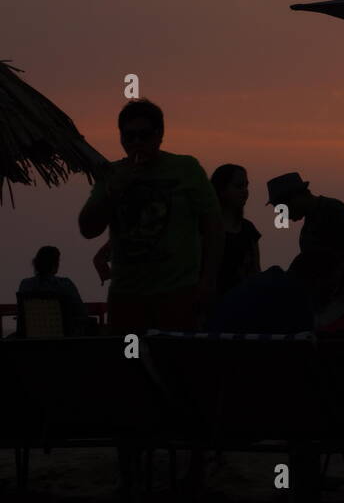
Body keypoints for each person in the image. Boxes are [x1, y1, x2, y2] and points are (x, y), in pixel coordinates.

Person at [78, 100, 225, 335]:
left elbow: (214, 227)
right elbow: (87, 229)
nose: (137, 143)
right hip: (126, 296)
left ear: (160, 135)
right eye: (129, 137)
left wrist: (208, 281)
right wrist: (111, 193)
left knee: (175, 366)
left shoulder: (186, 169)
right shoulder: (112, 174)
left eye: (144, 136)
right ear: (121, 138)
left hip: (177, 293)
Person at [266, 172, 344, 335]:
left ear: (296, 197)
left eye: (282, 209)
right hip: (333, 298)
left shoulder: (332, 209)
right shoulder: (309, 227)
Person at [211, 164, 261, 301]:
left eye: (246, 186)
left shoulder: (248, 229)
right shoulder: (205, 227)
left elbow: (255, 270)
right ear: (221, 190)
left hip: (243, 301)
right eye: (239, 186)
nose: (245, 191)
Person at [17, 245, 88, 335]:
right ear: (55, 264)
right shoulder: (65, 284)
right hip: (60, 335)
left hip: (31, 337)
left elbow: (21, 315)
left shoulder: (25, 284)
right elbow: (81, 312)